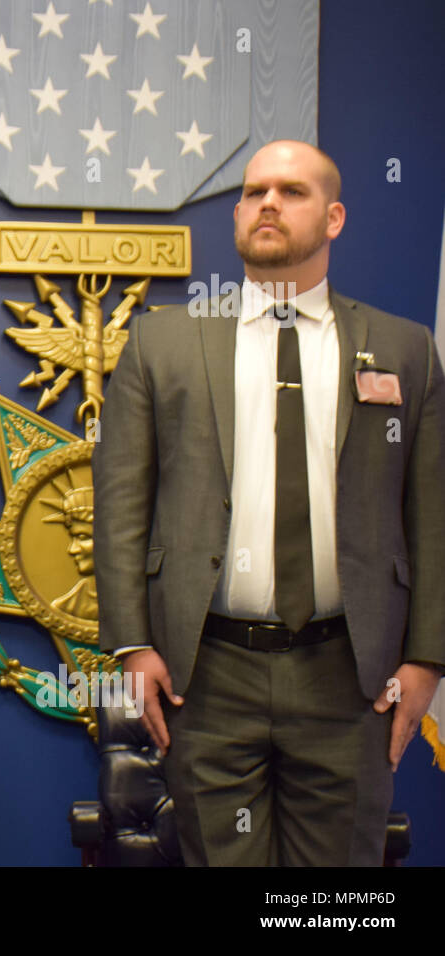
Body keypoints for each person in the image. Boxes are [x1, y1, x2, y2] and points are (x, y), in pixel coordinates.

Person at [94, 140, 445, 866]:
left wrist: (427, 660)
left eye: (292, 192)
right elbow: (120, 501)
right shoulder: (163, 342)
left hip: (350, 676)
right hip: (208, 672)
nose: (268, 206)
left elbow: (433, 514)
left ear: (336, 216)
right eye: (254, 192)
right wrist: (132, 642)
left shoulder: (404, 349)